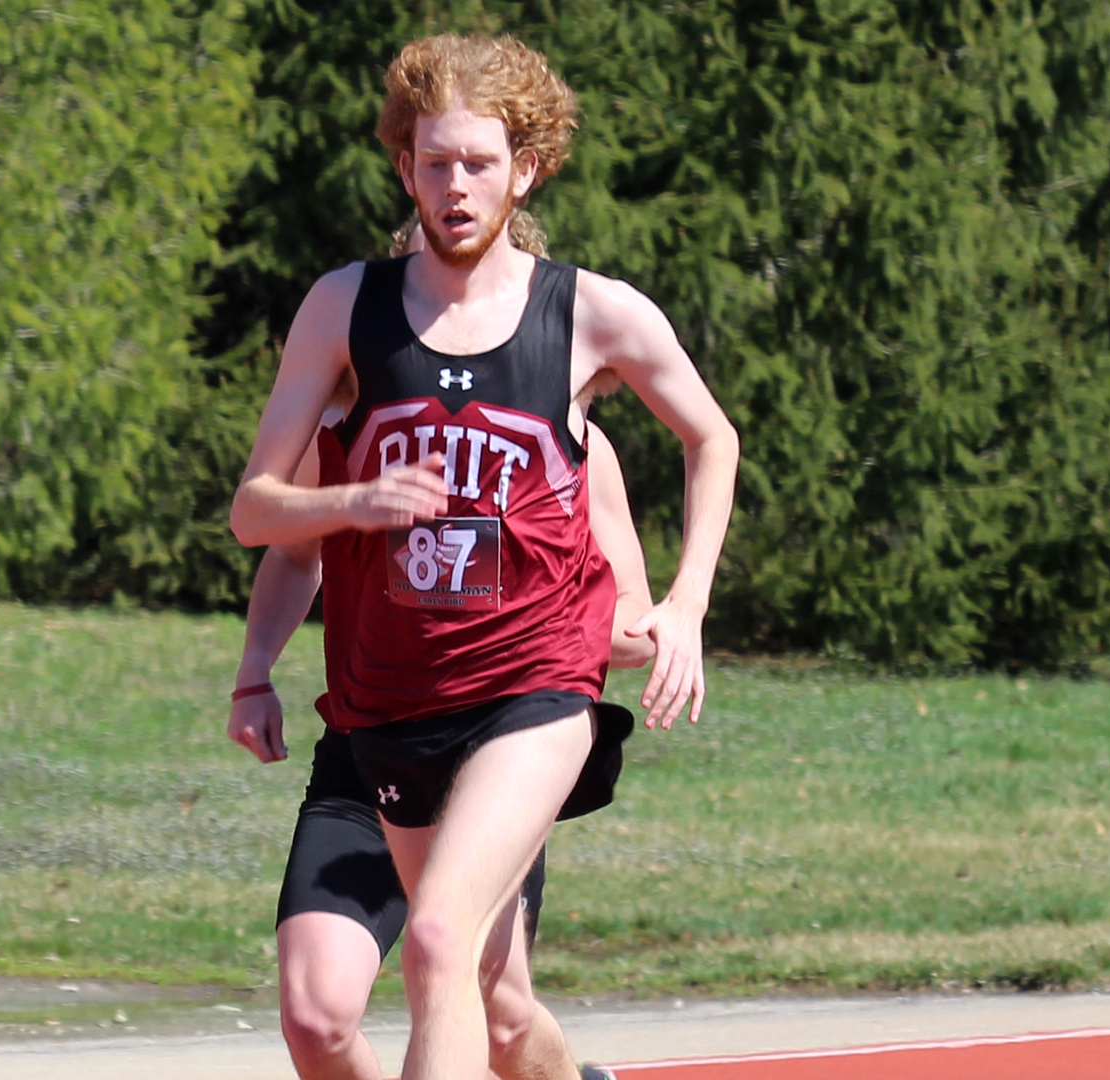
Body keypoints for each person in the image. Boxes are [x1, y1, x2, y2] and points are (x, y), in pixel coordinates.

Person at [229, 33, 738, 1080]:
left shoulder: (590, 313)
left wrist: (683, 607)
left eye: (478, 163)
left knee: (436, 943)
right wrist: (355, 500)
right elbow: (255, 514)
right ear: (403, 165)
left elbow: (711, 438)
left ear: (528, 167)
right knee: (487, 1010)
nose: (453, 187)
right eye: (432, 162)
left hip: (532, 694)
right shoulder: (345, 308)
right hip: (390, 706)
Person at [231, 213, 647, 1080]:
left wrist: (545, 608)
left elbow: (629, 624)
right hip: (369, 738)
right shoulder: (351, 437)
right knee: (316, 1018)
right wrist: (254, 675)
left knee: (492, 1010)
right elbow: (289, 550)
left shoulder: (575, 450)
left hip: (492, 738)